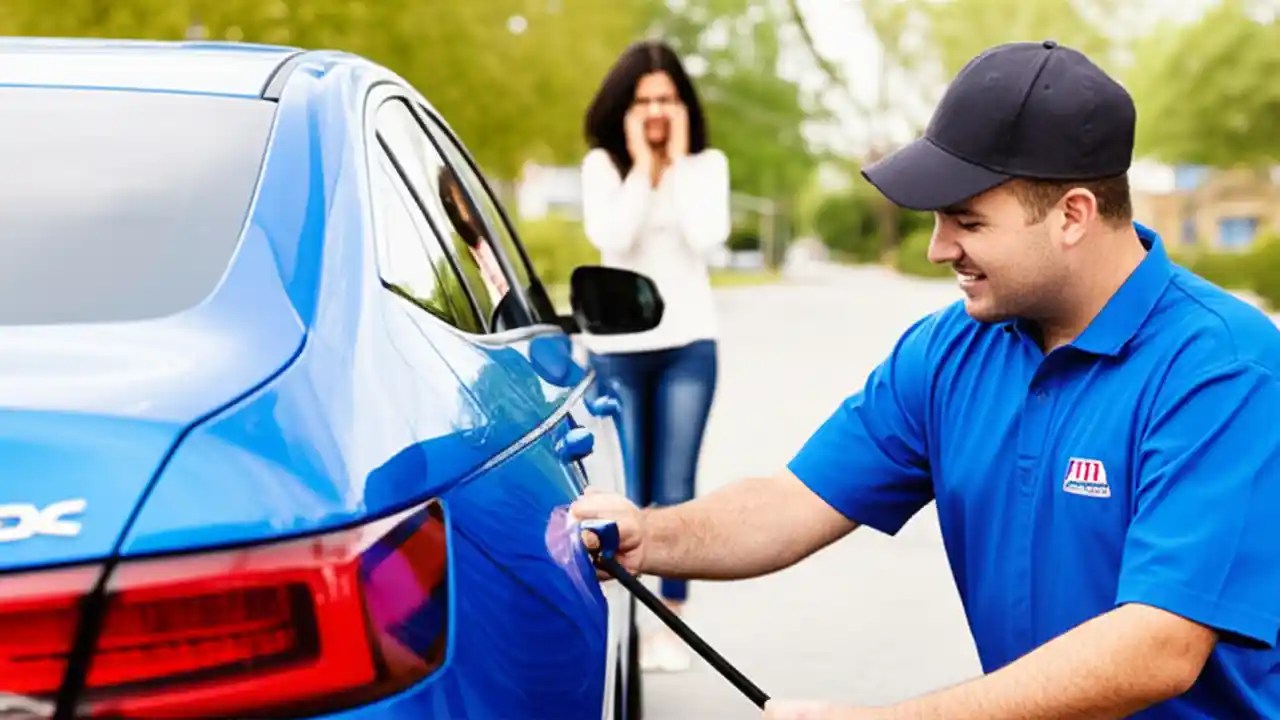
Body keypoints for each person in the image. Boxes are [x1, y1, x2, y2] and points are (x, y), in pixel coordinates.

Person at [573, 39, 1280, 719]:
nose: (941, 248)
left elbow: (1158, 647)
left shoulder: (1222, 368)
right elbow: (794, 501)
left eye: (966, 221)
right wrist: (648, 537)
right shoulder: (951, 349)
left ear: (1073, 216)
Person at [579, 38, 731, 672]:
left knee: (674, 488)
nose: (656, 111)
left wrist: (676, 167)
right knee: (628, 490)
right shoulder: (603, 168)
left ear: (684, 105)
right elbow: (612, 240)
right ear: (624, 108)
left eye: (667, 99)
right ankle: (628, 622)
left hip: (688, 344)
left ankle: (675, 624)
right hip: (618, 349)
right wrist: (643, 165)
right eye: (643, 101)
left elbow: (708, 237)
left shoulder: (707, 166)